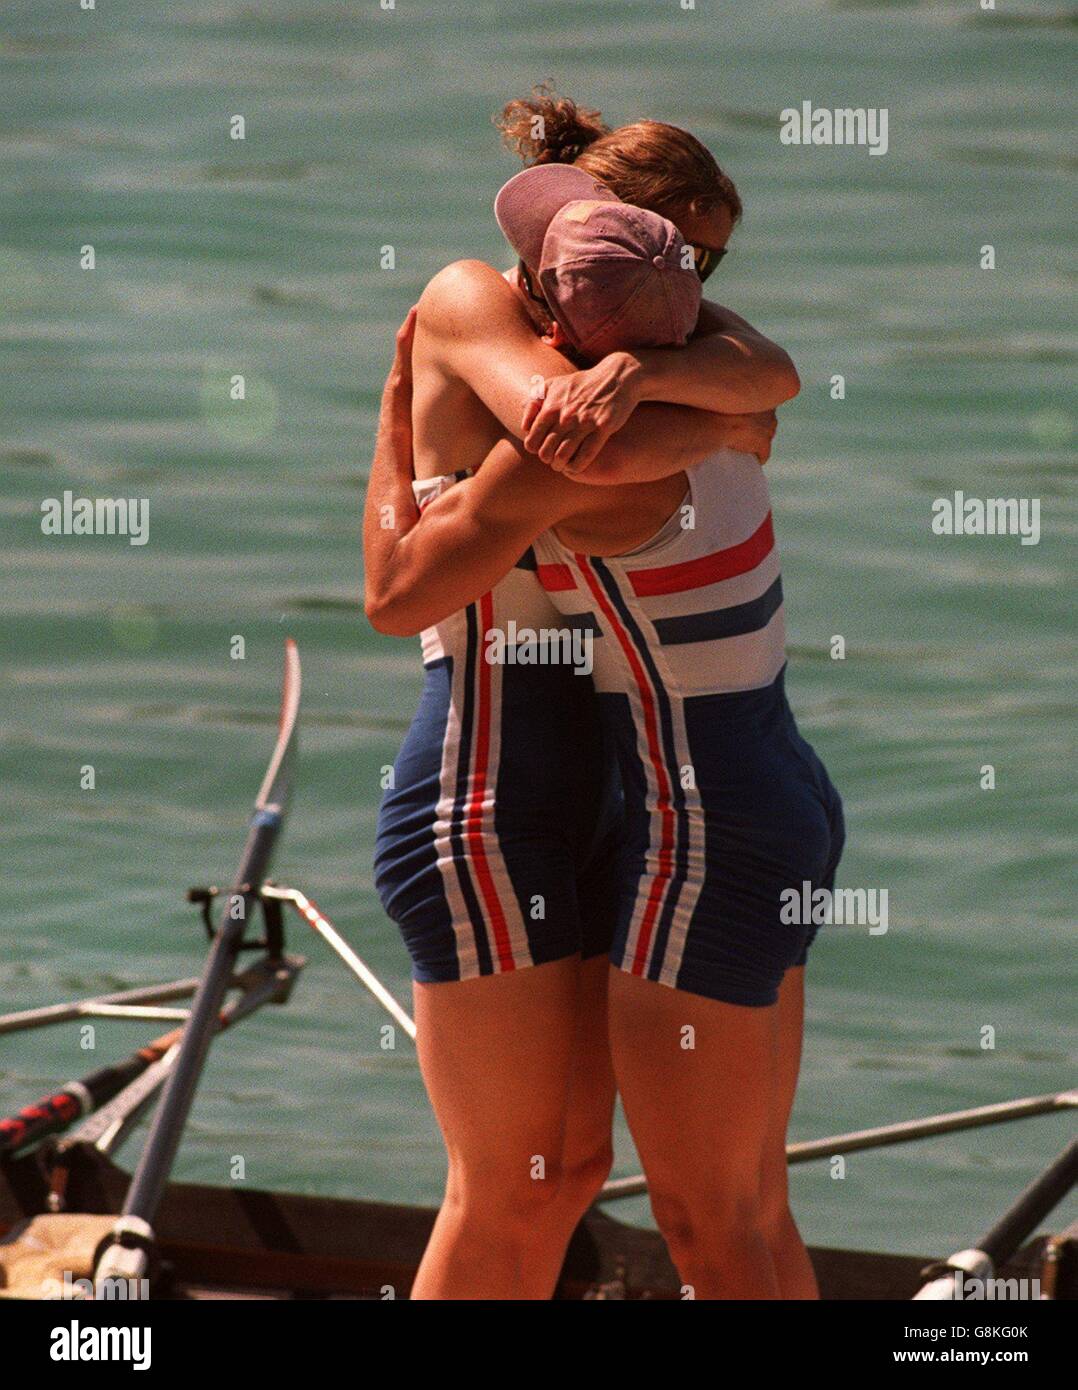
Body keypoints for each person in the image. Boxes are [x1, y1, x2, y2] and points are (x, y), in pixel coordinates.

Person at [366, 91, 805, 1299]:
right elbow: (402, 590)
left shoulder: (660, 358)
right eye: (683, 252)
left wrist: (690, 388)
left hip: (642, 800)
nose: (697, 279)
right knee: (534, 1188)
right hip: (486, 799)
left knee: (615, 1191)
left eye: (706, 265)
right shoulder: (474, 306)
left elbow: (759, 375)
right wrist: (397, 419)